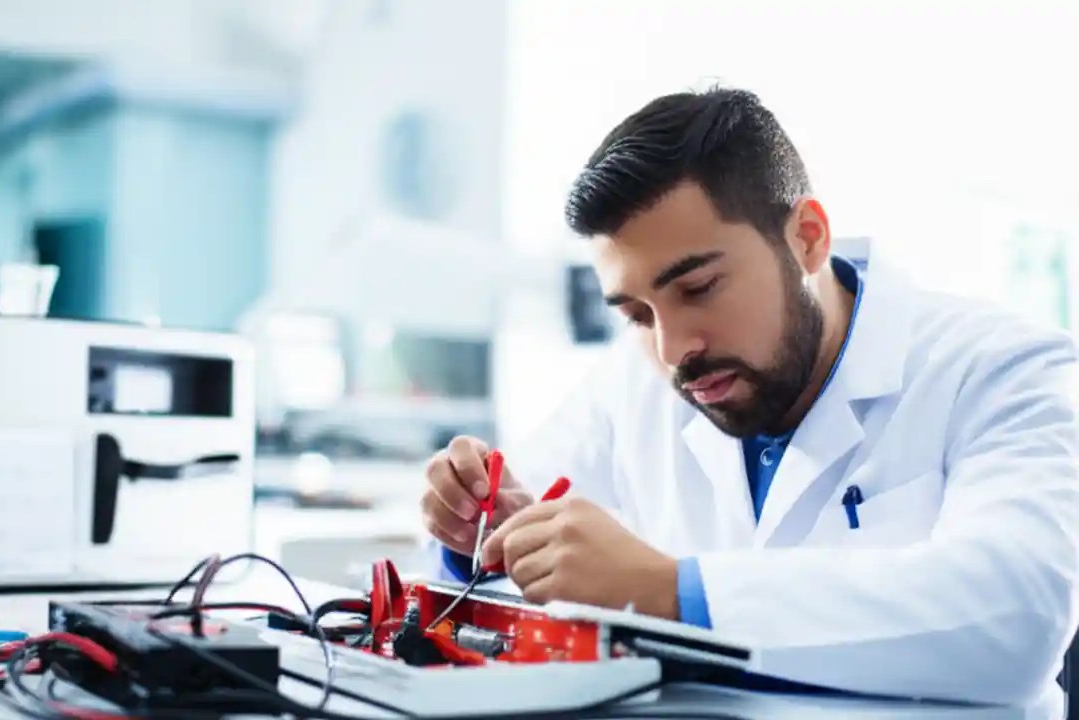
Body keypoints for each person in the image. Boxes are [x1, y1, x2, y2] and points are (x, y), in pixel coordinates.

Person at [420, 87, 1079, 709]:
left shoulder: (1004, 369)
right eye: (637, 314)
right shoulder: (635, 383)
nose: (674, 349)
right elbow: (505, 544)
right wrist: (478, 532)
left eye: (700, 287)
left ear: (808, 238)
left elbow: (1017, 615)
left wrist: (668, 592)